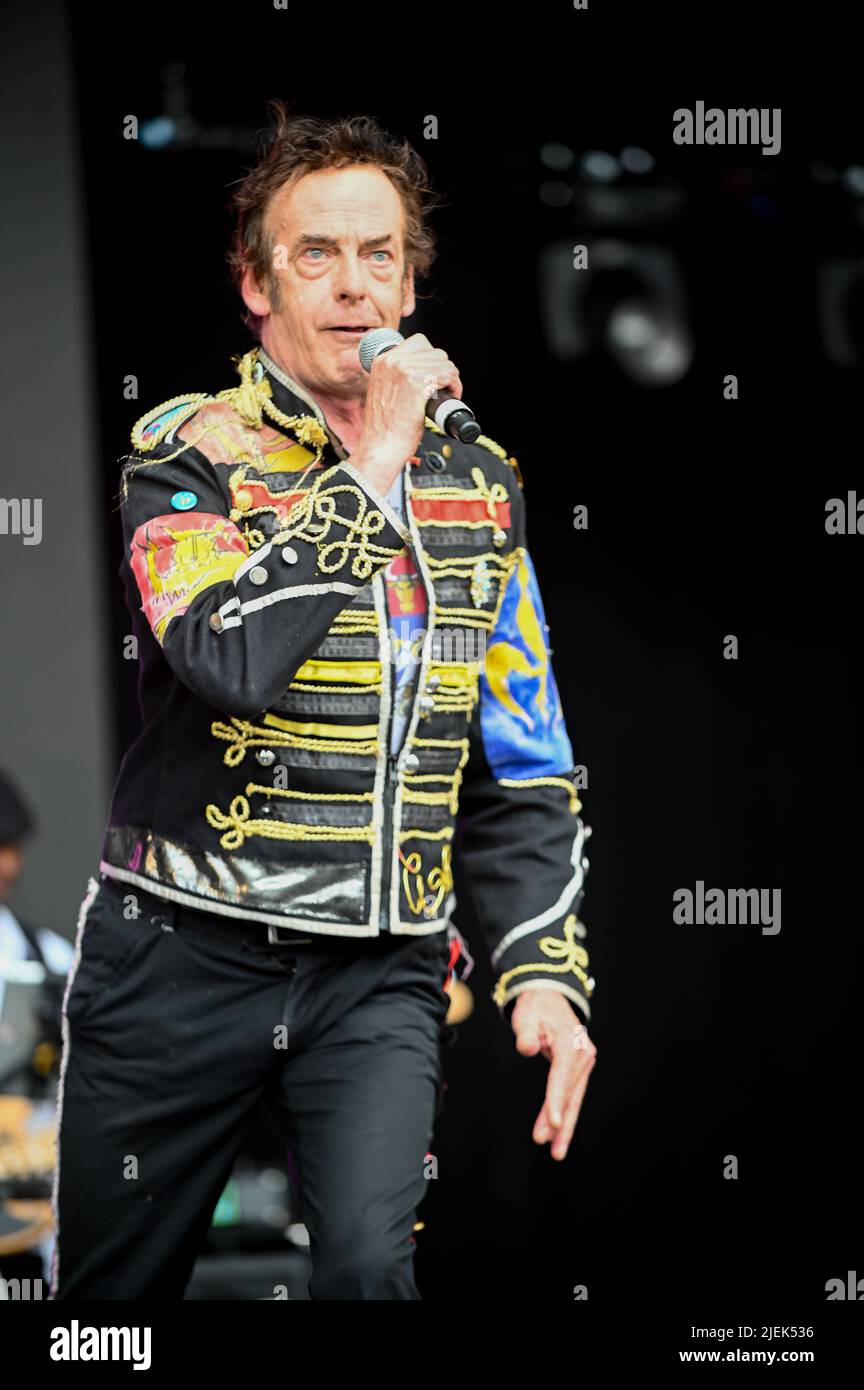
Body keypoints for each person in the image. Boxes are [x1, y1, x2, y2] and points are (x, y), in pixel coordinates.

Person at [50, 103, 597, 1301]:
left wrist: (543, 970)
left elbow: (522, 759)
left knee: (366, 1270)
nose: (354, 286)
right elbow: (228, 655)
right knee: (108, 1304)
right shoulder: (187, 455)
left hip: (379, 969)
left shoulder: (481, 483)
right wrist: (374, 465)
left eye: (379, 255)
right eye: (316, 255)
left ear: (410, 280)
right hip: (179, 956)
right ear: (256, 284)